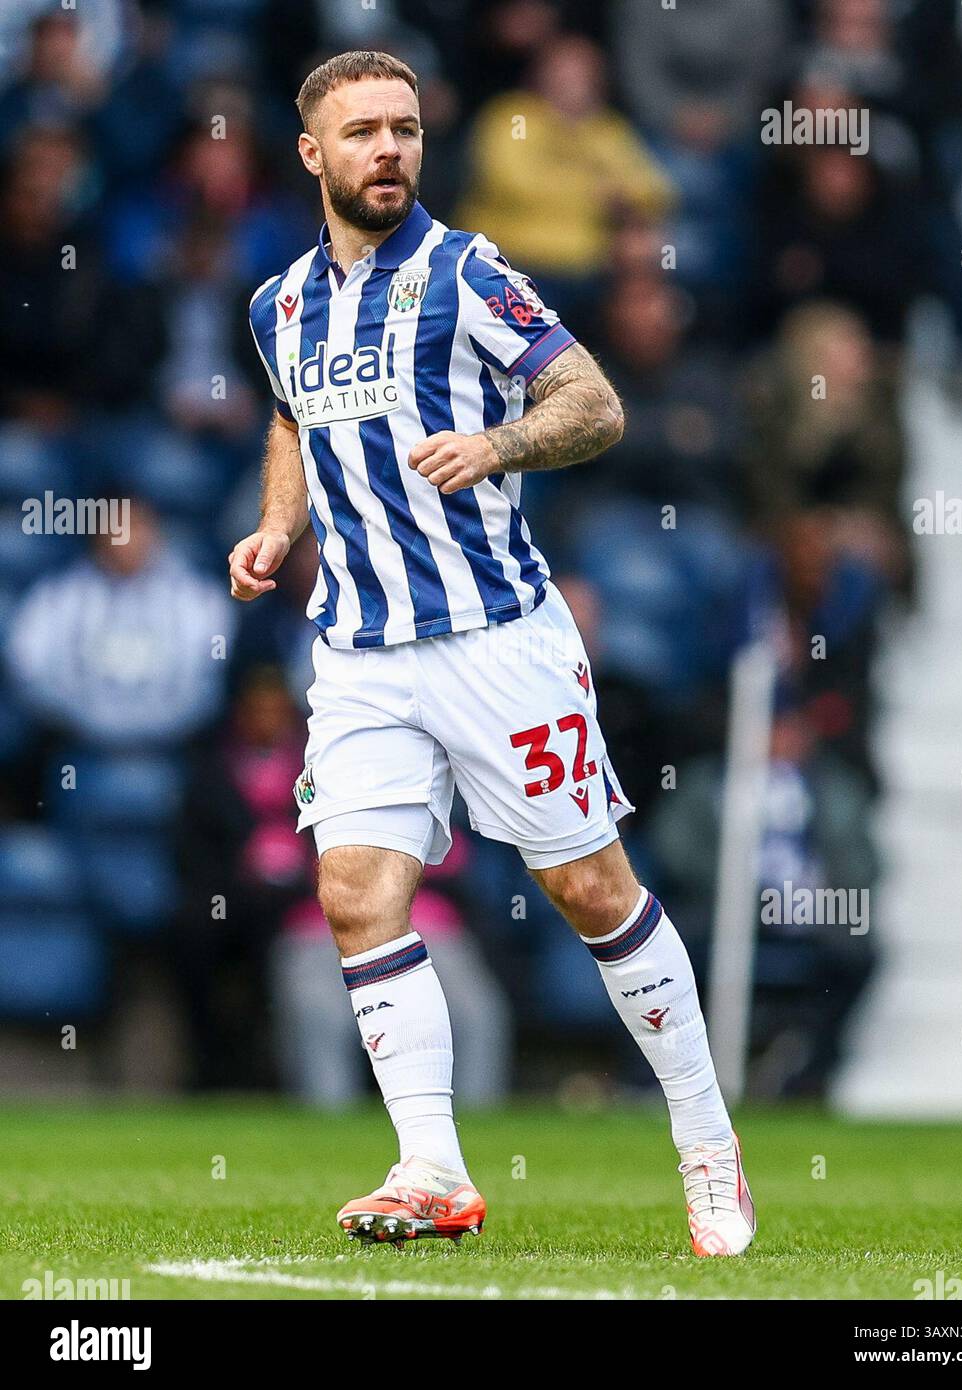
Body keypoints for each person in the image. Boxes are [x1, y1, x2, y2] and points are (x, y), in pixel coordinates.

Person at [228, 50, 755, 1257]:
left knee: (591, 891)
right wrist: (274, 526)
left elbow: (596, 401)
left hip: (496, 641)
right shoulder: (280, 305)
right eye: (360, 132)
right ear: (311, 153)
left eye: (404, 129)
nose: (388, 151)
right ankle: (432, 1168)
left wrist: (499, 445)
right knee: (356, 895)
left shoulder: (466, 271)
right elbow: (289, 413)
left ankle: (704, 1135)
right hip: (359, 652)